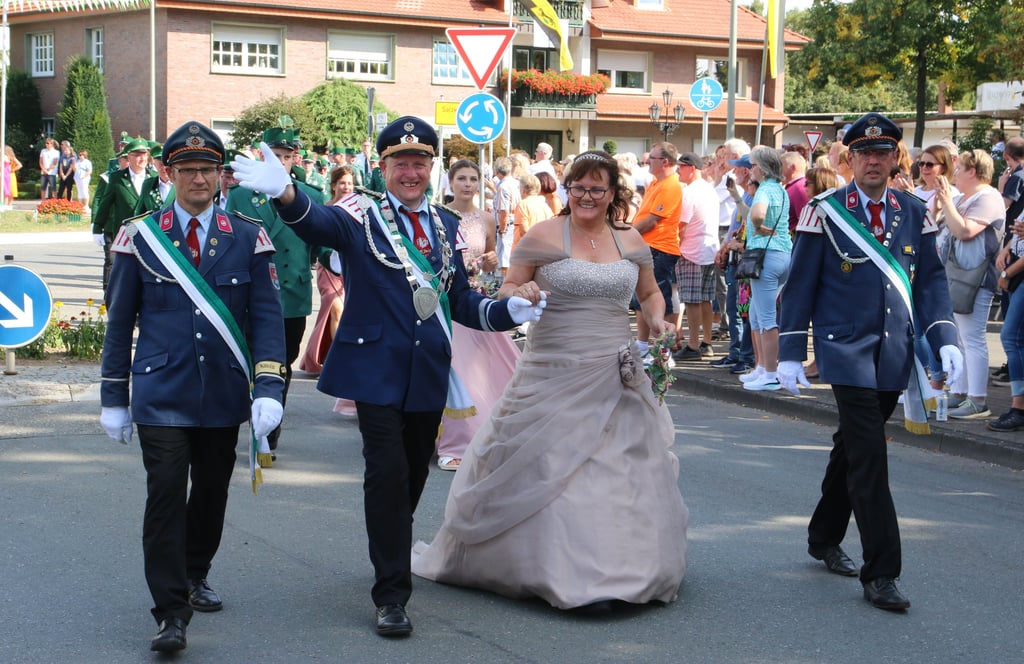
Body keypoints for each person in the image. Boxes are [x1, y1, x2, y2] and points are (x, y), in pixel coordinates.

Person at [229, 115, 545, 637]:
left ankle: (389, 548)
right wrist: (286, 193)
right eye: (401, 162)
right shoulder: (362, 214)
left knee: (413, 476)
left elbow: (459, 299)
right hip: (374, 369)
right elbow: (318, 224)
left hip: (427, 372)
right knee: (386, 474)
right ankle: (392, 595)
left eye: (420, 161)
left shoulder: (446, 225)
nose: (411, 171)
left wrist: (505, 313)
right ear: (383, 167)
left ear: (431, 168)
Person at [411, 149, 688, 611]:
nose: (585, 196)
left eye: (596, 188)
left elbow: (649, 293)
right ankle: (561, 571)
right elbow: (506, 288)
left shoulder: (629, 241)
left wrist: (657, 322)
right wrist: (522, 292)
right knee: (552, 463)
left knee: (617, 468)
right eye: (578, 187)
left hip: (614, 368)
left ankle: (622, 569)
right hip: (553, 368)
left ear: (612, 193)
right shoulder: (543, 234)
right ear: (567, 190)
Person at [99, 121, 287, 653]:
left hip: (223, 392)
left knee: (209, 492)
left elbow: (267, 323)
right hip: (161, 394)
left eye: (207, 170)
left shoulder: (249, 236)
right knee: (164, 494)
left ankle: (194, 571)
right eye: (187, 170)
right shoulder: (139, 237)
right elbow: (119, 325)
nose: (198, 179)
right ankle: (170, 612)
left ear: (221, 177)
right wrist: (114, 397)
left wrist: (269, 388)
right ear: (168, 173)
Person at [777, 112, 963, 612]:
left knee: (852, 449)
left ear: (894, 158)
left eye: (882, 153)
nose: (873, 161)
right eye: (864, 153)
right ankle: (881, 572)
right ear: (849, 159)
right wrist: (791, 352)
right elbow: (800, 286)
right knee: (871, 456)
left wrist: (944, 336)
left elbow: (930, 282)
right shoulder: (824, 211)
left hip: (894, 350)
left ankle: (822, 536)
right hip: (845, 351)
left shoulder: (915, 210)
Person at [227, 126, 328, 457]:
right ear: (263, 155)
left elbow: (323, 244)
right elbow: (228, 241)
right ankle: (241, 420)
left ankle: (268, 434)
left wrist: (339, 259)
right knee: (248, 363)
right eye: (275, 155)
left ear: (294, 159)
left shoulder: (310, 197)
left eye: (286, 157)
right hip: (249, 295)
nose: (280, 162)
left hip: (291, 295)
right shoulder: (242, 194)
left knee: (280, 367)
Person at [436, 159, 520, 471]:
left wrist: (488, 262)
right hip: (447, 300)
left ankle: (491, 431)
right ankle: (453, 438)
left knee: (490, 368)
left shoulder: (487, 218)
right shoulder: (438, 214)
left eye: (473, 178)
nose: (468, 184)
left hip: (475, 297)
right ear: (451, 182)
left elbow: (491, 261)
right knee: (456, 369)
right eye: (462, 178)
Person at [933, 149, 1005, 419]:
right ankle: (960, 393)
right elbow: (942, 224)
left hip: (976, 278)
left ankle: (978, 400)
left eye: (960, 169)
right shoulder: (966, 197)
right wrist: (944, 203)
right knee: (960, 339)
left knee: (972, 338)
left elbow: (964, 231)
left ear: (973, 171)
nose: (956, 174)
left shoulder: (988, 197)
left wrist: (948, 202)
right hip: (957, 275)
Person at [739, 147, 791, 391]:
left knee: (766, 317)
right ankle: (762, 369)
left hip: (766, 256)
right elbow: (752, 215)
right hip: (780, 254)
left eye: (753, 165)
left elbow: (757, 215)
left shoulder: (765, 190)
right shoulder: (779, 189)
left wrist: (759, 227)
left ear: (762, 167)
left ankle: (769, 372)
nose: (751, 170)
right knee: (759, 315)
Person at [299, 166, 355, 375]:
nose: (346, 187)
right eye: (342, 183)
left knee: (344, 314)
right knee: (337, 310)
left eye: (350, 183)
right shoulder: (325, 209)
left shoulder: (356, 209)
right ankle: (337, 362)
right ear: (333, 186)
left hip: (350, 270)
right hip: (328, 270)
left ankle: (328, 357)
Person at [632, 142, 683, 357]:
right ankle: (643, 345)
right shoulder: (655, 183)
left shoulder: (671, 185)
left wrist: (627, 234)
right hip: (648, 246)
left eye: (651, 158)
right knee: (641, 299)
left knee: (659, 299)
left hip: (660, 248)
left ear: (664, 161)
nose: (647, 162)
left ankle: (664, 349)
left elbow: (653, 221)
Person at [93, 137, 157, 293]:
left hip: (148, 234)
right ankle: (113, 298)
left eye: (144, 154)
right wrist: (97, 228)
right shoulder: (117, 178)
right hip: (123, 234)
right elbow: (105, 204)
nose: (141, 159)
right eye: (137, 155)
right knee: (120, 271)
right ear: (129, 157)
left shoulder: (154, 177)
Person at [673, 152, 721, 361]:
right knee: (705, 299)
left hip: (692, 250)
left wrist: (676, 246)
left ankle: (693, 345)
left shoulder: (690, 192)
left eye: (680, 167)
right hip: (709, 249)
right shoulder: (709, 189)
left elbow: (681, 225)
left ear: (691, 168)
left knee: (692, 300)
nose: (677, 171)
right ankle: (706, 342)